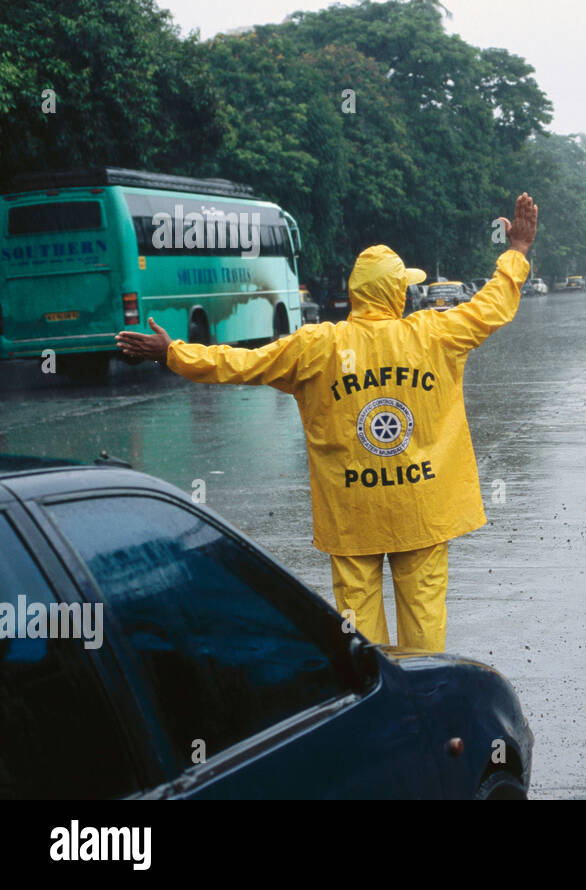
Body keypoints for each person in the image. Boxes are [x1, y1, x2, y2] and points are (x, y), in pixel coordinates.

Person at [115, 193, 539, 651]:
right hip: (422, 508)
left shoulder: (316, 346)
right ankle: (426, 695)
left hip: (352, 512)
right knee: (425, 613)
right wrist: (516, 253)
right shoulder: (435, 334)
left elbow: (238, 363)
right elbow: (492, 307)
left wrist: (174, 352)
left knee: (357, 627)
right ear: (399, 292)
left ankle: (372, 702)